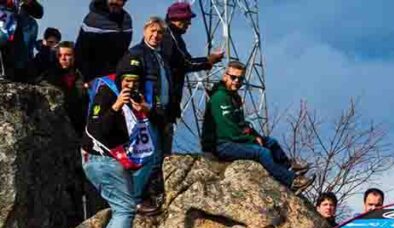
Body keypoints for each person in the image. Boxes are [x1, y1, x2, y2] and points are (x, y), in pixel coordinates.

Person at [82, 54, 156, 228]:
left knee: (120, 211)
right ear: (120, 79)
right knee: (125, 209)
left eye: (135, 81)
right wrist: (116, 106)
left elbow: (158, 122)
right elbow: (96, 129)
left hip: (114, 162)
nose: (131, 85)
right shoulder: (106, 93)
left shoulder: (138, 99)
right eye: (127, 81)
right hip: (100, 159)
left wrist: (145, 108)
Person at [202, 61, 312, 191]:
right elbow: (229, 131)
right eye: (233, 77)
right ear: (225, 76)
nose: (237, 81)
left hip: (230, 140)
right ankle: (293, 182)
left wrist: (255, 135)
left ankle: (287, 168)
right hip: (220, 145)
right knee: (261, 152)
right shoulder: (220, 97)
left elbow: (241, 125)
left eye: (240, 78)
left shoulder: (233, 97)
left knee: (271, 142)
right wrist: (252, 140)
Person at [162, 2, 224, 154]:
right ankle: (156, 174)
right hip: (166, 100)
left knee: (163, 140)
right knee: (162, 143)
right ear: (176, 19)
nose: (189, 23)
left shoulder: (172, 36)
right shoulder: (170, 38)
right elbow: (185, 63)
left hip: (168, 99)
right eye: (186, 19)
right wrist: (209, 61)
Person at [125, 16, 171, 213]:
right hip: (144, 113)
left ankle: (147, 195)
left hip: (160, 113)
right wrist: (139, 103)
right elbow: (126, 80)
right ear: (144, 31)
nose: (156, 35)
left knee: (159, 157)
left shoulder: (160, 55)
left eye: (160, 32)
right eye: (152, 31)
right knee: (149, 156)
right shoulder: (137, 53)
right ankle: (136, 198)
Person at [75, 0, 132, 82]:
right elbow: (81, 53)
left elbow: (124, 51)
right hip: (93, 78)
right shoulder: (92, 19)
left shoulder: (126, 20)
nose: (115, 2)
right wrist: (85, 79)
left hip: (116, 78)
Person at [37, 41, 87, 133]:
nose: (63, 58)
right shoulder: (48, 78)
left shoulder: (85, 76)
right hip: (58, 127)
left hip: (81, 126)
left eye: (67, 55)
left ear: (75, 56)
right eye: (59, 55)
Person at [0, 0, 43, 82]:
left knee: (31, 24)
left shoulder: (28, 20)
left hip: (21, 53)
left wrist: (29, 2)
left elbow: (39, 13)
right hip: (5, 37)